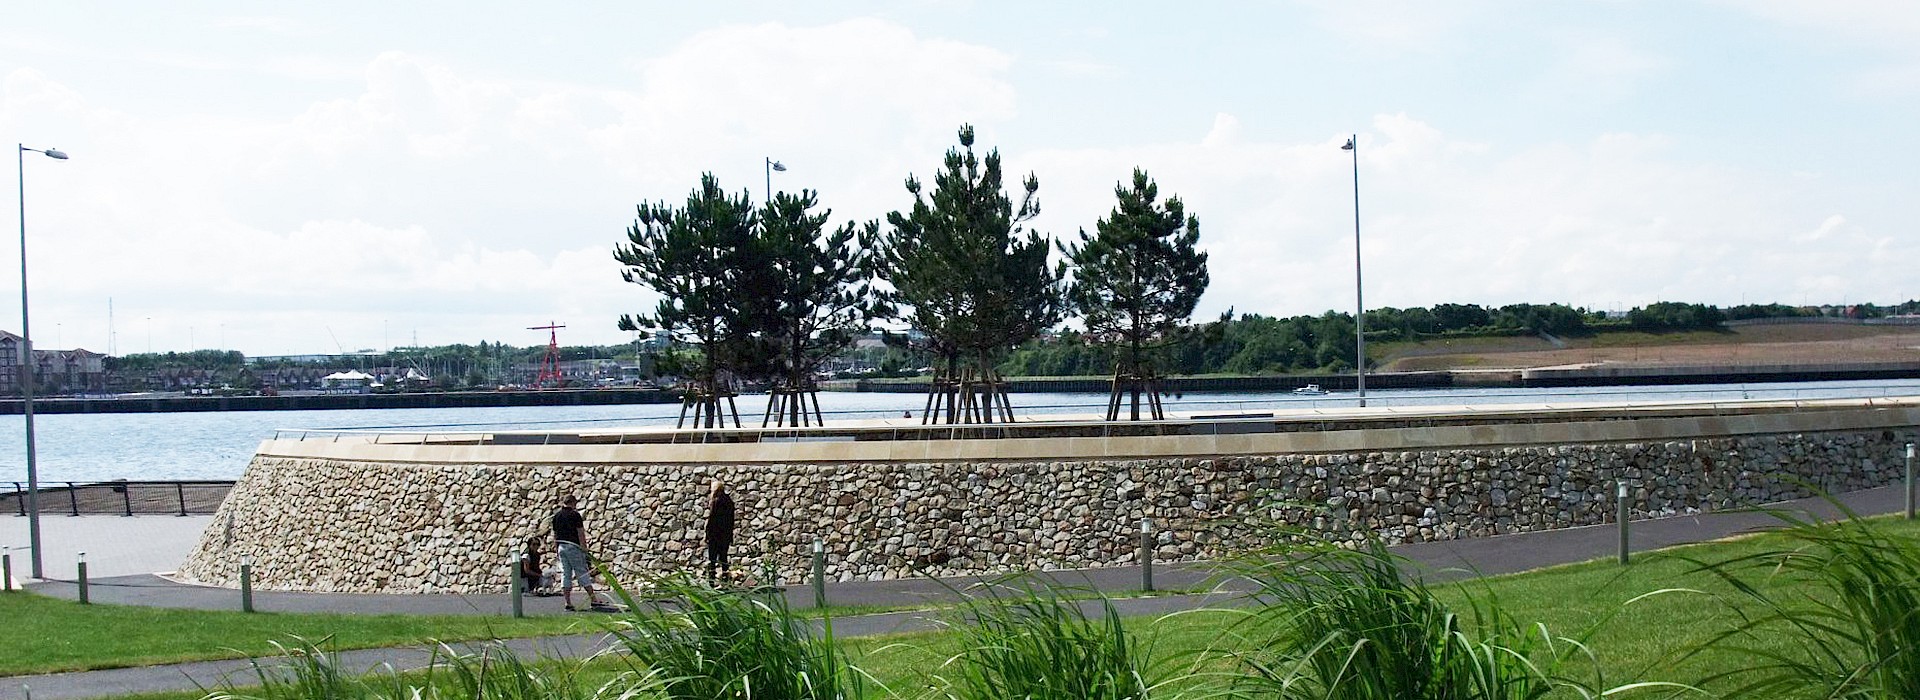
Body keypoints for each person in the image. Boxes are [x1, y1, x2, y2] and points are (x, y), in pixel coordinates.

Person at [552, 495, 597, 610]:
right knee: (582, 571)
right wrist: (584, 549)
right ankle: (593, 599)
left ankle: (567, 601)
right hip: (573, 546)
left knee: (566, 574)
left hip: (561, 546)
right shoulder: (575, 515)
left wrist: (557, 549)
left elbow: (555, 535)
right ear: (573, 503)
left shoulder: (557, 516)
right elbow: (580, 533)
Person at [705, 479, 735, 583]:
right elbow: (731, 520)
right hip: (725, 534)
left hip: (715, 534)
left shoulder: (716, 501)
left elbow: (712, 519)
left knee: (712, 559)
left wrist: (707, 534)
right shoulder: (729, 501)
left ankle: (711, 581)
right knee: (724, 557)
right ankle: (725, 580)